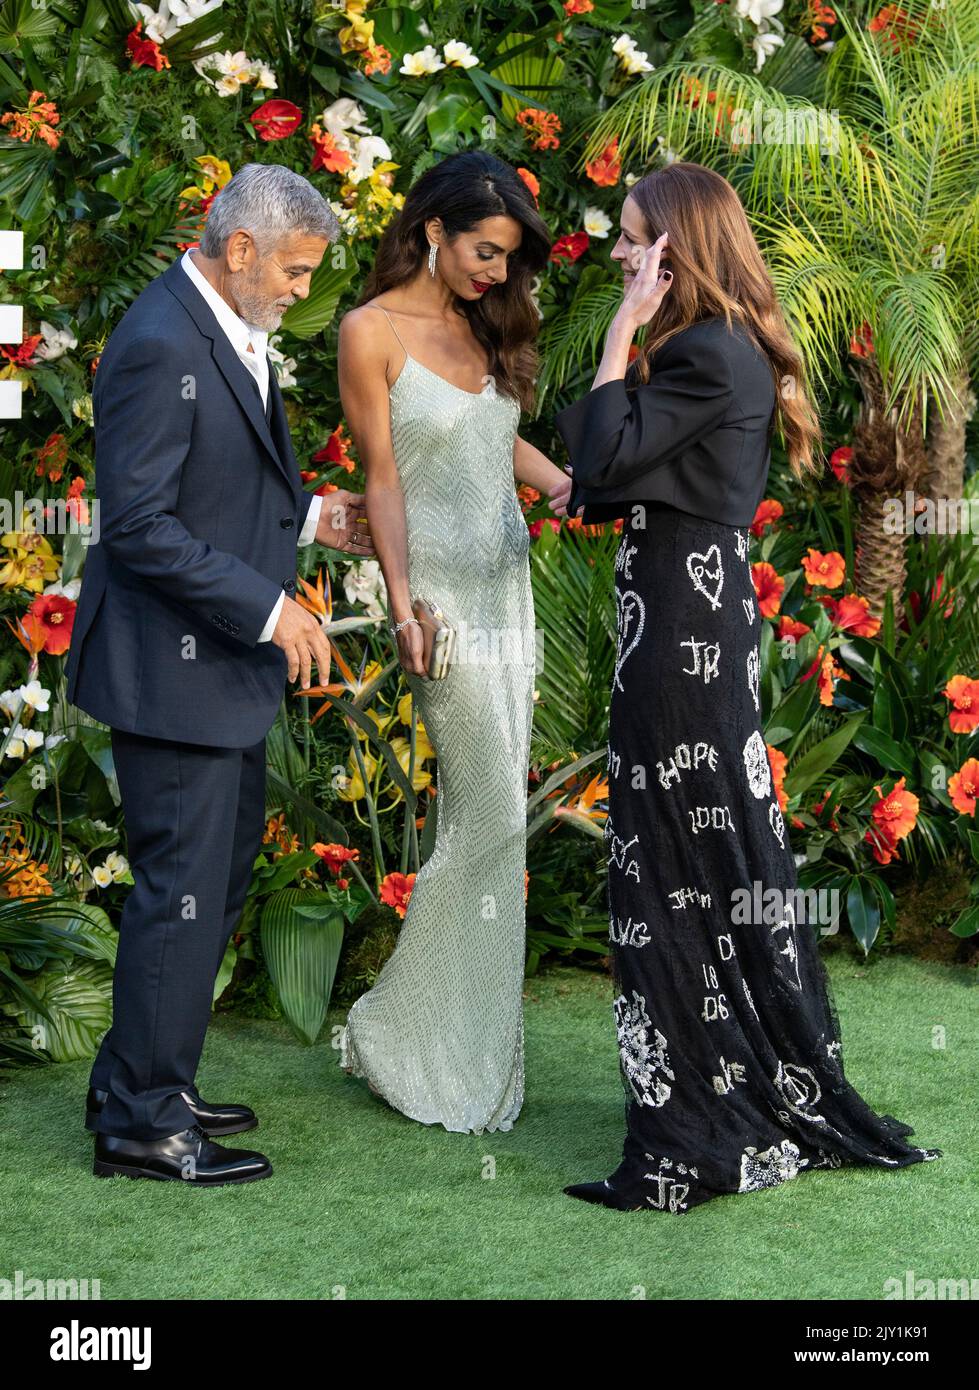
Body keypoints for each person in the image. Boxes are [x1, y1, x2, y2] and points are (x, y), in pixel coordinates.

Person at [552, 162, 942, 1212]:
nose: (622, 254)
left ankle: (698, 1132)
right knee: (685, 857)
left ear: (679, 246)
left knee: (675, 865)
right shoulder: (709, 354)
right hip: (677, 630)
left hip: (682, 637)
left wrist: (614, 335)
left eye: (635, 238)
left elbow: (600, 446)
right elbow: (601, 477)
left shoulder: (709, 356)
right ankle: (722, 1091)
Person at [65, 163, 374, 1185]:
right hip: (173, 669)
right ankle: (144, 1124)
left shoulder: (216, 323)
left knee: (212, 878)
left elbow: (213, 487)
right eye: (291, 268)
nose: (299, 287)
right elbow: (142, 524)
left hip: (212, 674)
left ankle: (137, 1080)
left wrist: (308, 515)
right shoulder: (161, 343)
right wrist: (269, 605)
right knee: (180, 892)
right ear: (238, 247)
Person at [335, 150, 566, 1133]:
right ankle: (402, 1034)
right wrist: (400, 601)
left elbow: (490, 439)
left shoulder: (483, 326)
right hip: (441, 606)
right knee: (489, 821)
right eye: (483, 250)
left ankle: (461, 1039)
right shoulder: (366, 332)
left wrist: (570, 486)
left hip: (510, 594)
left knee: (499, 817)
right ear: (432, 229)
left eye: (507, 259)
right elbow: (381, 477)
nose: (495, 273)